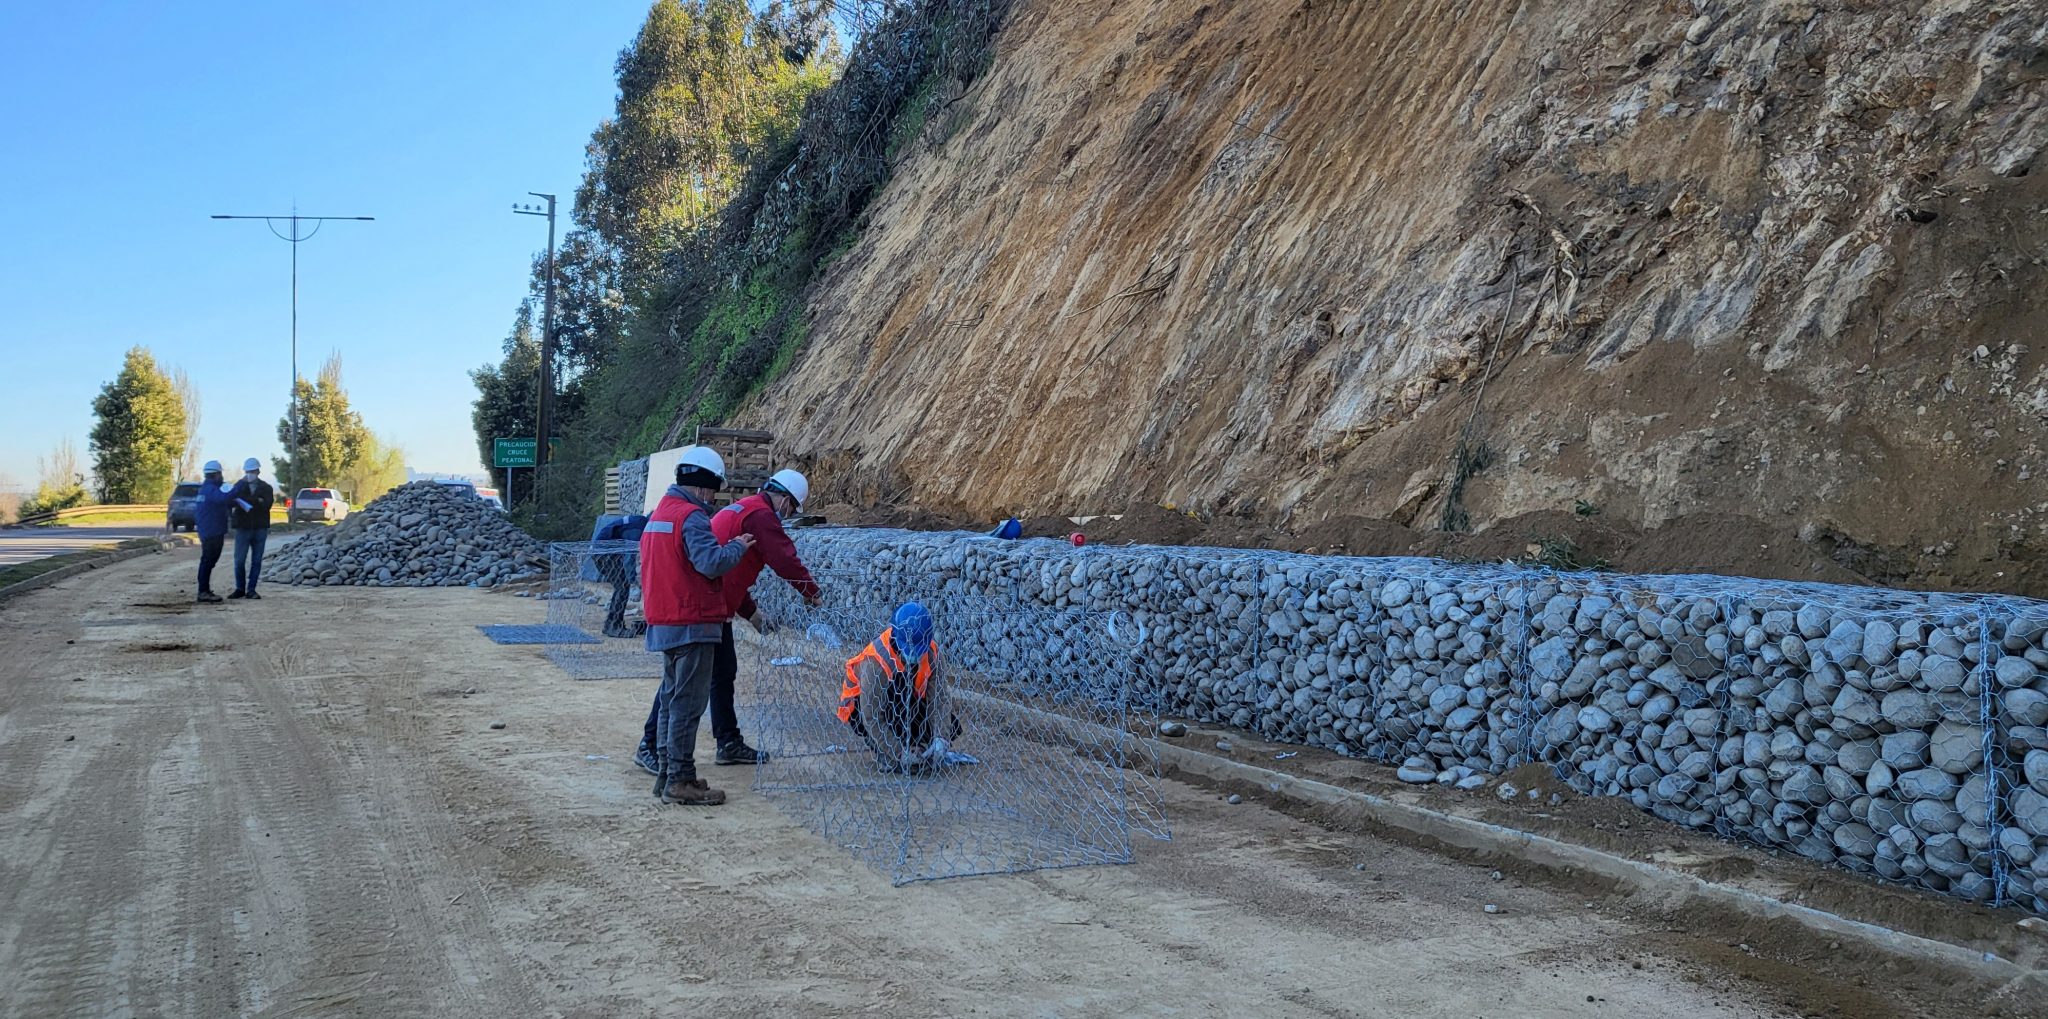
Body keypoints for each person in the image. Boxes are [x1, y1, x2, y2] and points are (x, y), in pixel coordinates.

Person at [639, 446, 754, 806]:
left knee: (673, 700)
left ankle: (667, 775)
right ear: (704, 486)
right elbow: (710, 562)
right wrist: (737, 547)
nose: (714, 497)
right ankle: (680, 780)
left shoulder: (661, 513)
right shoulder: (692, 517)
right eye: (714, 490)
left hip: (666, 621)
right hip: (692, 622)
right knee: (688, 705)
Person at [840, 602, 971, 773]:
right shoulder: (877, 662)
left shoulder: (932, 652)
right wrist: (899, 753)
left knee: (950, 723)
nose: (914, 654)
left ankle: (920, 748)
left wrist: (941, 738)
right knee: (899, 689)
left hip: (908, 703)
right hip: (864, 710)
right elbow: (871, 716)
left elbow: (939, 700)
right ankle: (890, 753)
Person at [588, 511, 650, 638]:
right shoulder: (639, 527)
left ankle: (611, 625)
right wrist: (633, 580)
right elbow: (629, 556)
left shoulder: (639, 521)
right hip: (604, 554)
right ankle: (614, 626)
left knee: (621, 587)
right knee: (622, 587)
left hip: (607, 552)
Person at [228, 458, 275, 599]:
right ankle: (240, 588)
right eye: (248, 471)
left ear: (258, 471)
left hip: (260, 528)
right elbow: (230, 500)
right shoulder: (239, 486)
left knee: (256, 560)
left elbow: (266, 504)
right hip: (243, 527)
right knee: (239, 560)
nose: (250, 474)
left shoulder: (266, 487)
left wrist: (251, 501)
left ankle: (251, 589)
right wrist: (256, 501)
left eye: (253, 471)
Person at [192, 460, 234, 604]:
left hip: (208, 530)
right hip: (212, 531)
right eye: (220, 474)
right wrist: (239, 486)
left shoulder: (204, 489)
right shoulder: (210, 490)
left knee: (208, 561)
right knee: (208, 561)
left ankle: (204, 590)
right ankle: (203, 592)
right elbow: (224, 498)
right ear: (216, 474)